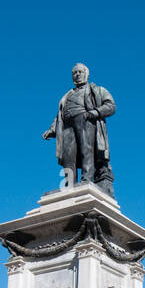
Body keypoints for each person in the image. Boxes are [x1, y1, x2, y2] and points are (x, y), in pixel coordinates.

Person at [42, 63, 115, 194]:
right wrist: (52, 129)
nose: (77, 75)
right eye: (75, 73)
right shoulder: (67, 95)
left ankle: (86, 178)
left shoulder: (96, 90)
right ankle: (69, 183)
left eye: (80, 72)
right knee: (68, 156)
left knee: (86, 150)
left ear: (87, 74)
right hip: (67, 125)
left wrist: (95, 113)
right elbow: (59, 115)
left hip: (86, 119)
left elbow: (110, 105)